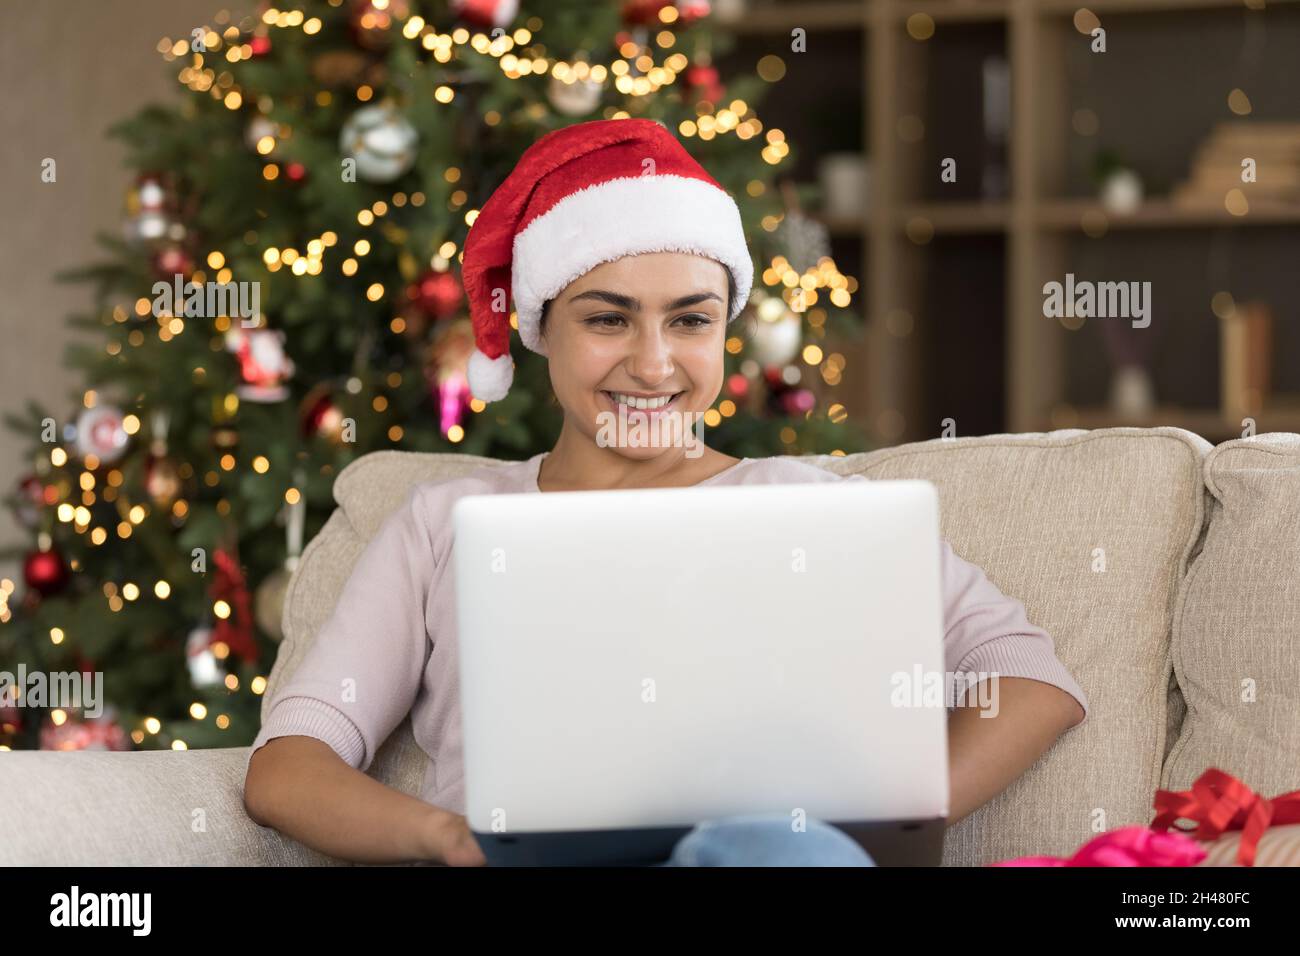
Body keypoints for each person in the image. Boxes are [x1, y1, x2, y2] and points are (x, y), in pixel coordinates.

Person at [241, 119, 1088, 867]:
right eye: (607, 319)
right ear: (540, 330)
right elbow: (289, 766)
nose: (653, 366)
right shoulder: (442, 525)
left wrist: (897, 811)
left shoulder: (806, 506)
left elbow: (1025, 677)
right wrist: (448, 837)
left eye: (690, 320)